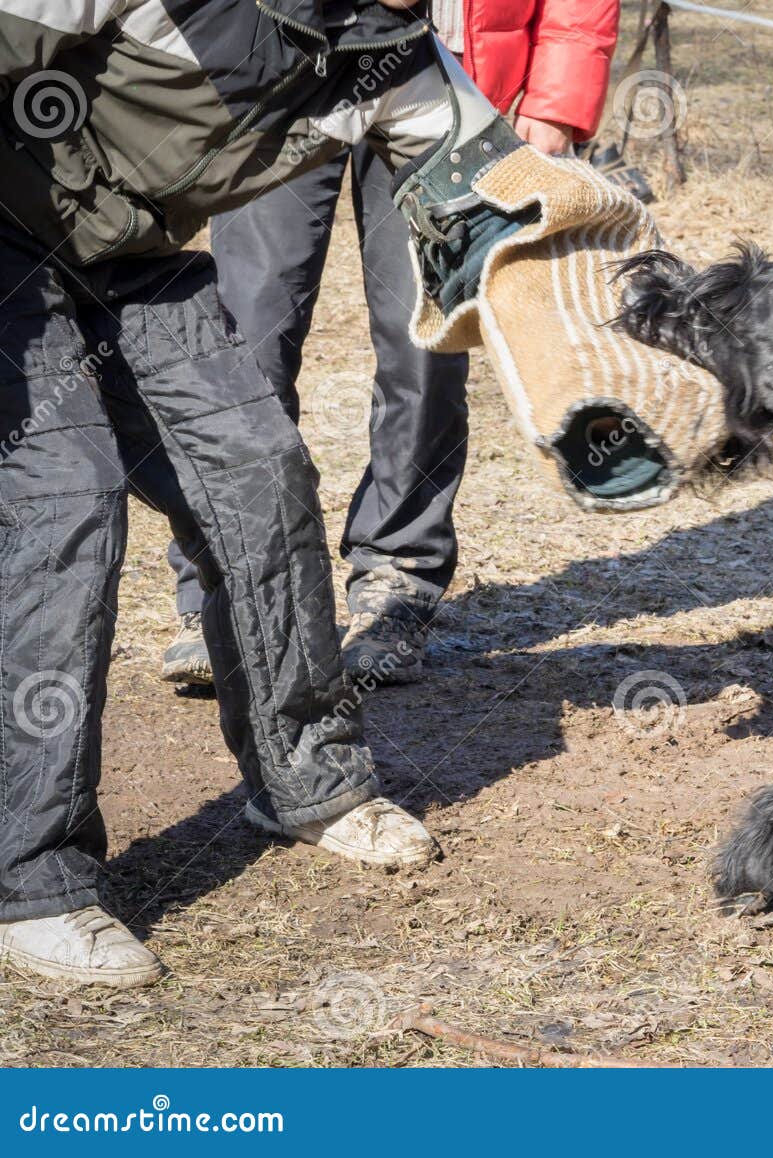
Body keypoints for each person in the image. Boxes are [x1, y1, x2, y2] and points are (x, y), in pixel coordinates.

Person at [0, 0, 545, 987]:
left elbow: (503, 193)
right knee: (64, 504)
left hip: (132, 261)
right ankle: (31, 876)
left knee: (259, 470)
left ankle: (310, 781)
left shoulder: (392, 53)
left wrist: (624, 314)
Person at [161, 0, 621, 688]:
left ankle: (398, 576)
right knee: (248, 331)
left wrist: (559, 96)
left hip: (452, 76)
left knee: (426, 343)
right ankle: (222, 581)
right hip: (286, 59)